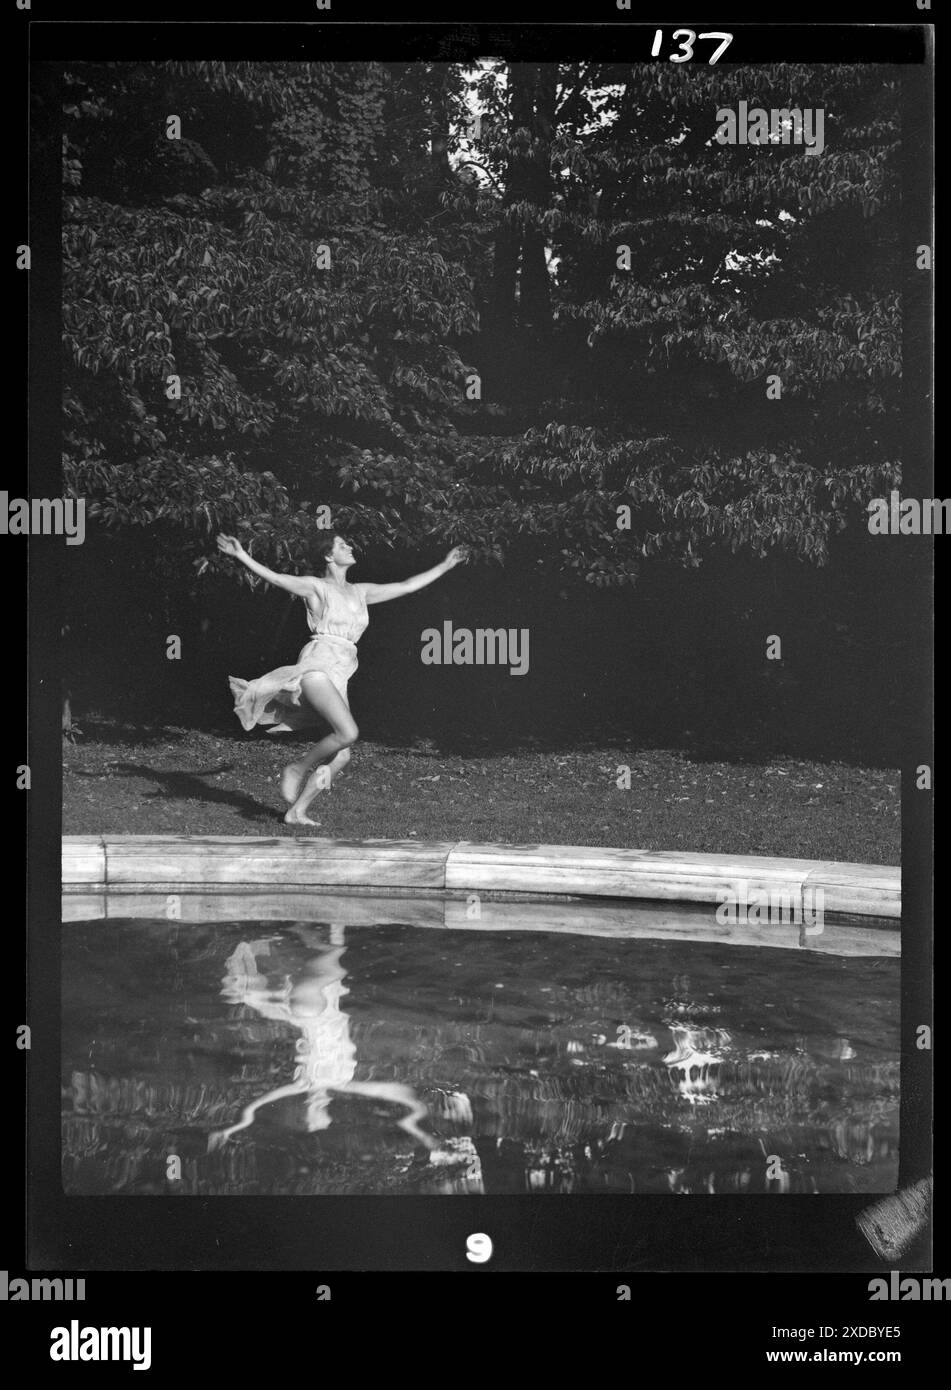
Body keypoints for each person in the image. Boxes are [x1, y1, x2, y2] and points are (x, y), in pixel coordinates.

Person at [216, 531, 468, 825]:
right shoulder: (316, 587)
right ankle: (297, 769)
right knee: (348, 733)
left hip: (342, 670)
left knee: (342, 755)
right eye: (342, 545)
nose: (350, 546)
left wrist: (445, 565)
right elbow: (276, 578)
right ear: (328, 556)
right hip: (317, 666)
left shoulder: (360, 591)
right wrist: (241, 555)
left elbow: (407, 586)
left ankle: (296, 811)